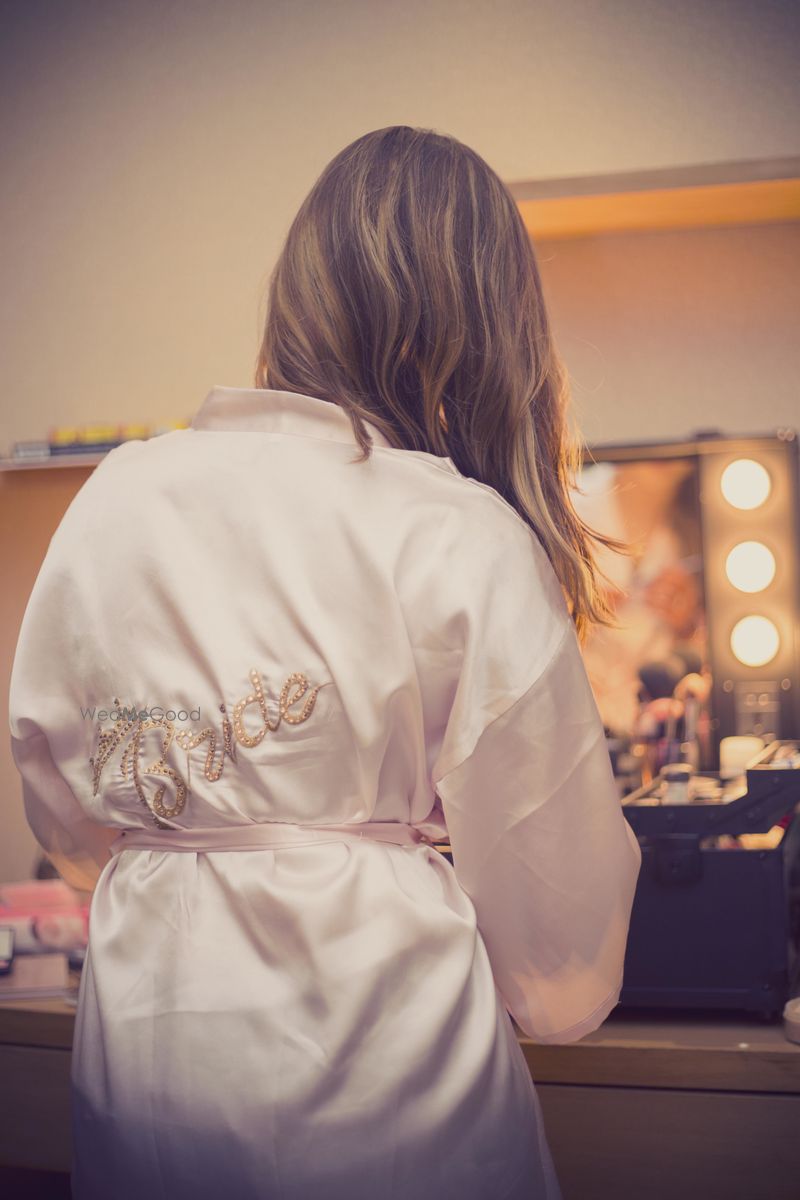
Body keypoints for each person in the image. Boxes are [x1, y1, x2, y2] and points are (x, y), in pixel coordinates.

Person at [9, 126, 642, 1200]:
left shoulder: (118, 495)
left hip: (152, 1049)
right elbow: (554, 927)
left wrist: (185, 839)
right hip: (394, 1067)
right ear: (484, 327)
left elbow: (65, 815)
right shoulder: (459, 532)